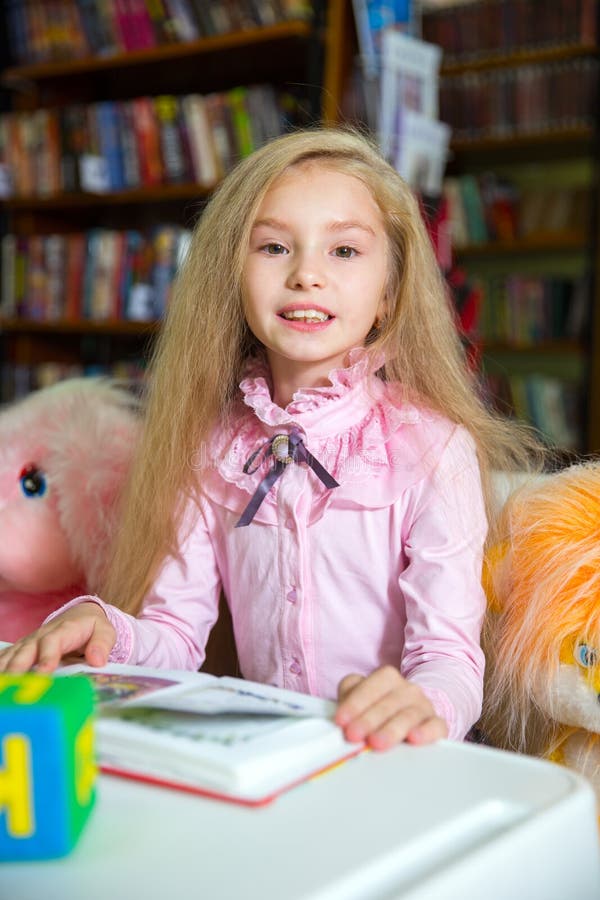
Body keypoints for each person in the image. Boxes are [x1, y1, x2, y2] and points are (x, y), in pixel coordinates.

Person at [0, 127, 541, 750]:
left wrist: (424, 704)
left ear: (389, 293)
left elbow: (449, 658)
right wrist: (106, 628)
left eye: (344, 250)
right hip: (268, 761)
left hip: (396, 762)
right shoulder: (210, 450)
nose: (307, 274)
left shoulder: (434, 451)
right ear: (234, 273)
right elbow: (175, 636)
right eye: (275, 246)